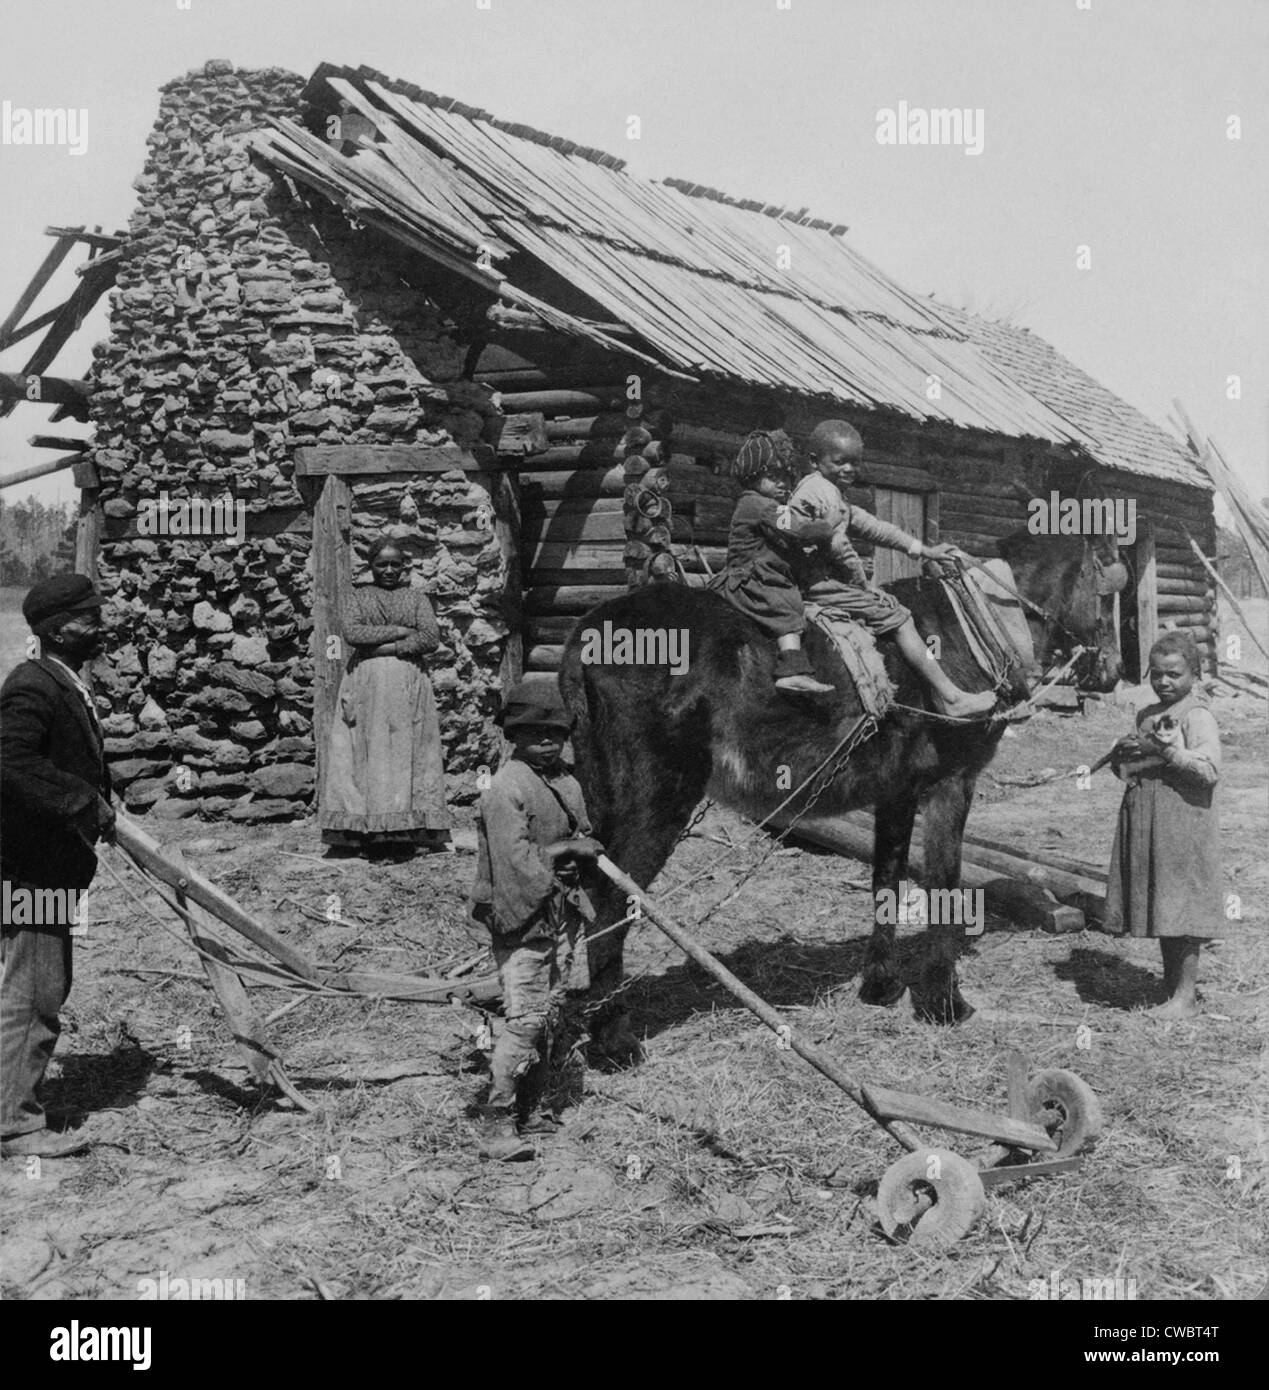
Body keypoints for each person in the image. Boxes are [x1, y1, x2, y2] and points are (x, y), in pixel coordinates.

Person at [1, 574, 115, 1158]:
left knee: (43, 982)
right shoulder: (33, 686)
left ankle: (21, 1104)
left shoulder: (61, 680)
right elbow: (9, 761)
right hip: (32, 869)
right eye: (88, 619)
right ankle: (16, 1126)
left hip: (49, 864)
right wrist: (79, 801)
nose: (100, 626)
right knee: (36, 989)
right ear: (54, 630)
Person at [468, 679, 601, 1160]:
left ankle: (536, 1108)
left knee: (549, 1012)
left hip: (559, 912)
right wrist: (566, 851)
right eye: (534, 734)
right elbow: (513, 861)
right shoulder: (504, 787)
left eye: (556, 734)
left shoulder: (566, 783)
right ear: (514, 736)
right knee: (523, 1019)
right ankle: (496, 1121)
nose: (547, 742)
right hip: (519, 914)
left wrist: (579, 852)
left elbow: (581, 831)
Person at [786, 420, 998, 719]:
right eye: (840, 462)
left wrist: (924, 550)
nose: (849, 469)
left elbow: (874, 528)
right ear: (813, 461)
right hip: (819, 584)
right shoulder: (824, 494)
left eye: (855, 462)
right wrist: (861, 586)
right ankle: (950, 697)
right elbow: (839, 549)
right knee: (901, 618)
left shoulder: (822, 490)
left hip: (813, 581)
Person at [1104, 630, 1222, 1019]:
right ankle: (1172, 989)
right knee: (1164, 905)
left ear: (1195, 673)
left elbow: (1208, 770)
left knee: (1184, 906)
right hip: (1150, 825)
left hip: (1183, 824)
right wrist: (1123, 758)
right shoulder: (1146, 715)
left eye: (1174, 674)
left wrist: (1168, 750)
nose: (1164, 682)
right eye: (1156, 674)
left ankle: (1185, 997)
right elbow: (1130, 772)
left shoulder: (1197, 714)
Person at [320, 536, 451, 859]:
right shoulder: (358, 598)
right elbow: (353, 634)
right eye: (382, 564)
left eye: (395, 564)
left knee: (409, 750)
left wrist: (388, 646)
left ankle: (407, 832)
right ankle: (368, 834)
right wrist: (402, 631)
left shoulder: (416, 599)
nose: (389, 570)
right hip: (368, 685)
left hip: (409, 684)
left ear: (404, 566)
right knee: (371, 751)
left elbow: (431, 637)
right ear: (371, 566)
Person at [711, 431, 837, 695]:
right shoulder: (760, 506)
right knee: (784, 609)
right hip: (750, 580)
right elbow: (796, 527)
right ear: (753, 477)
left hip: (755, 574)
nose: (782, 484)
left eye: (785, 477)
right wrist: (825, 526)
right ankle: (792, 670)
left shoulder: (761, 504)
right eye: (773, 477)